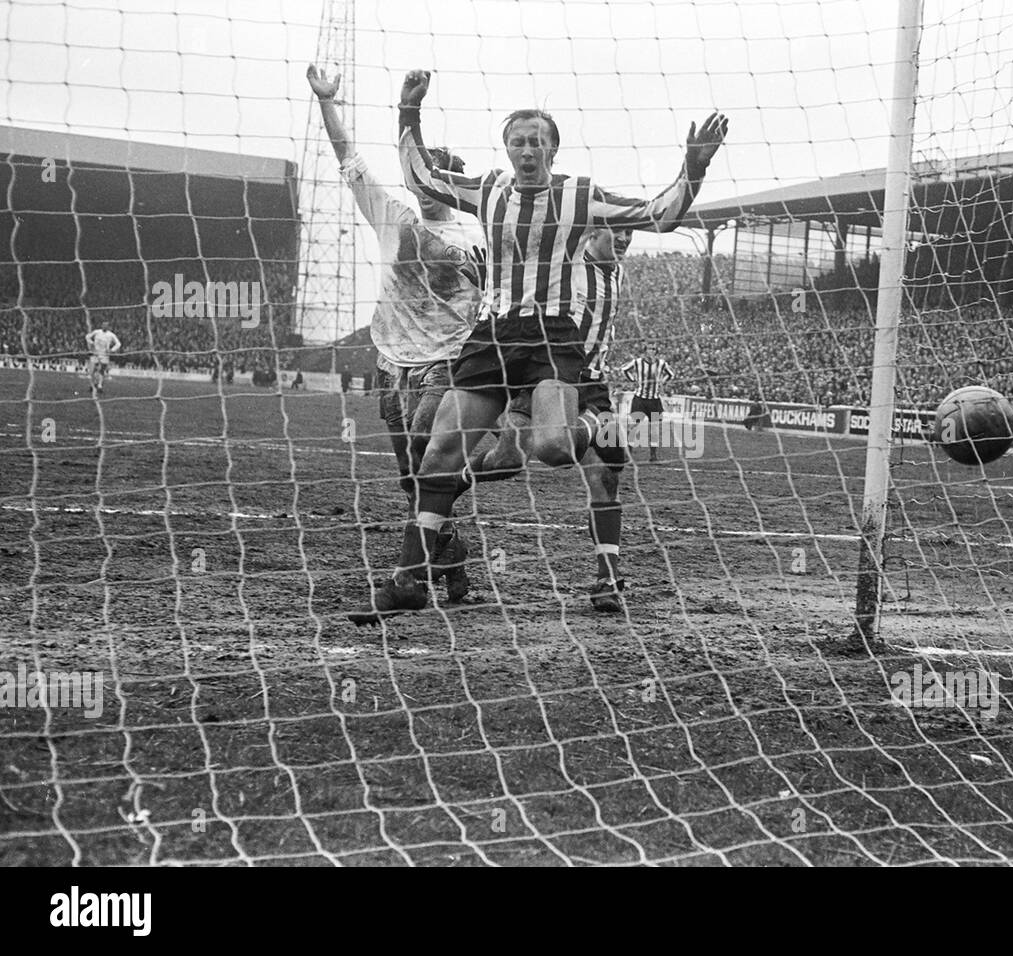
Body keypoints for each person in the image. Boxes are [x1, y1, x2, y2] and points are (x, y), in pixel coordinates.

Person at [350, 67, 726, 621]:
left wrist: (693, 168)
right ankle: (408, 582)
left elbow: (660, 216)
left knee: (552, 447)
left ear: (552, 148)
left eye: (537, 141)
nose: (527, 149)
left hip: (552, 336)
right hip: (493, 334)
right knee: (439, 453)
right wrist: (409, 112)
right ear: (507, 148)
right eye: (518, 141)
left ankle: (596, 425)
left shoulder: (580, 196)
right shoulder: (489, 192)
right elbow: (422, 179)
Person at [306, 64, 485, 617]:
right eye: (421, 174)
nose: (426, 186)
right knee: (414, 479)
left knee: (431, 463)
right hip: (392, 364)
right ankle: (452, 564)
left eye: (437, 175)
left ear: (451, 184)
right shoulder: (396, 218)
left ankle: (409, 580)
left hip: (446, 365)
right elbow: (349, 163)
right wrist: (325, 103)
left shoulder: (481, 235)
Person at [460, 226, 634, 611]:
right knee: (509, 458)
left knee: (605, 477)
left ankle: (607, 581)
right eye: (616, 232)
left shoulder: (619, 271)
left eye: (629, 233)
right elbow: (526, 280)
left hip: (591, 383)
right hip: (547, 377)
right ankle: (453, 482)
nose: (624, 240)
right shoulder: (568, 266)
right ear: (591, 234)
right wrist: (491, 278)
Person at [620, 347, 674, 462]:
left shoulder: (662, 363)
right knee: (633, 426)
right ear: (645, 351)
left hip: (654, 401)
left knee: (654, 428)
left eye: (653, 349)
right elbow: (624, 370)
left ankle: (653, 456)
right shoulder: (637, 362)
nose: (651, 351)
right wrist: (633, 379)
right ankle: (628, 455)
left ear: (656, 352)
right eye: (649, 348)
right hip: (640, 399)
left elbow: (671, 374)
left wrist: (662, 382)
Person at [85, 326, 122, 395]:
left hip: (104, 355)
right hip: (95, 353)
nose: (104, 326)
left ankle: (99, 386)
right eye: (103, 325)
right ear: (102, 326)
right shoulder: (97, 332)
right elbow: (87, 337)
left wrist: (111, 350)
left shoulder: (111, 335)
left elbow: (118, 344)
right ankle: (92, 385)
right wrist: (92, 343)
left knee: (101, 371)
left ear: (108, 327)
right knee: (92, 371)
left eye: (106, 325)